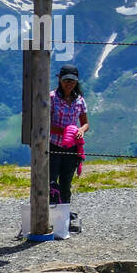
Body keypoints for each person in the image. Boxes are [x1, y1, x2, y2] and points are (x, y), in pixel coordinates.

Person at [49, 64, 88, 233]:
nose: (69, 83)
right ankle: (49, 216)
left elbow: (85, 123)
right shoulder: (51, 98)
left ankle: (64, 217)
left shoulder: (80, 100)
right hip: (53, 146)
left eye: (72, 81)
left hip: (72, 148)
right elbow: (45, 123)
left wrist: (80, 130)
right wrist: (65, 131)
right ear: (59, 79)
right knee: (51, 182)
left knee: (66, 183)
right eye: (66, 80)